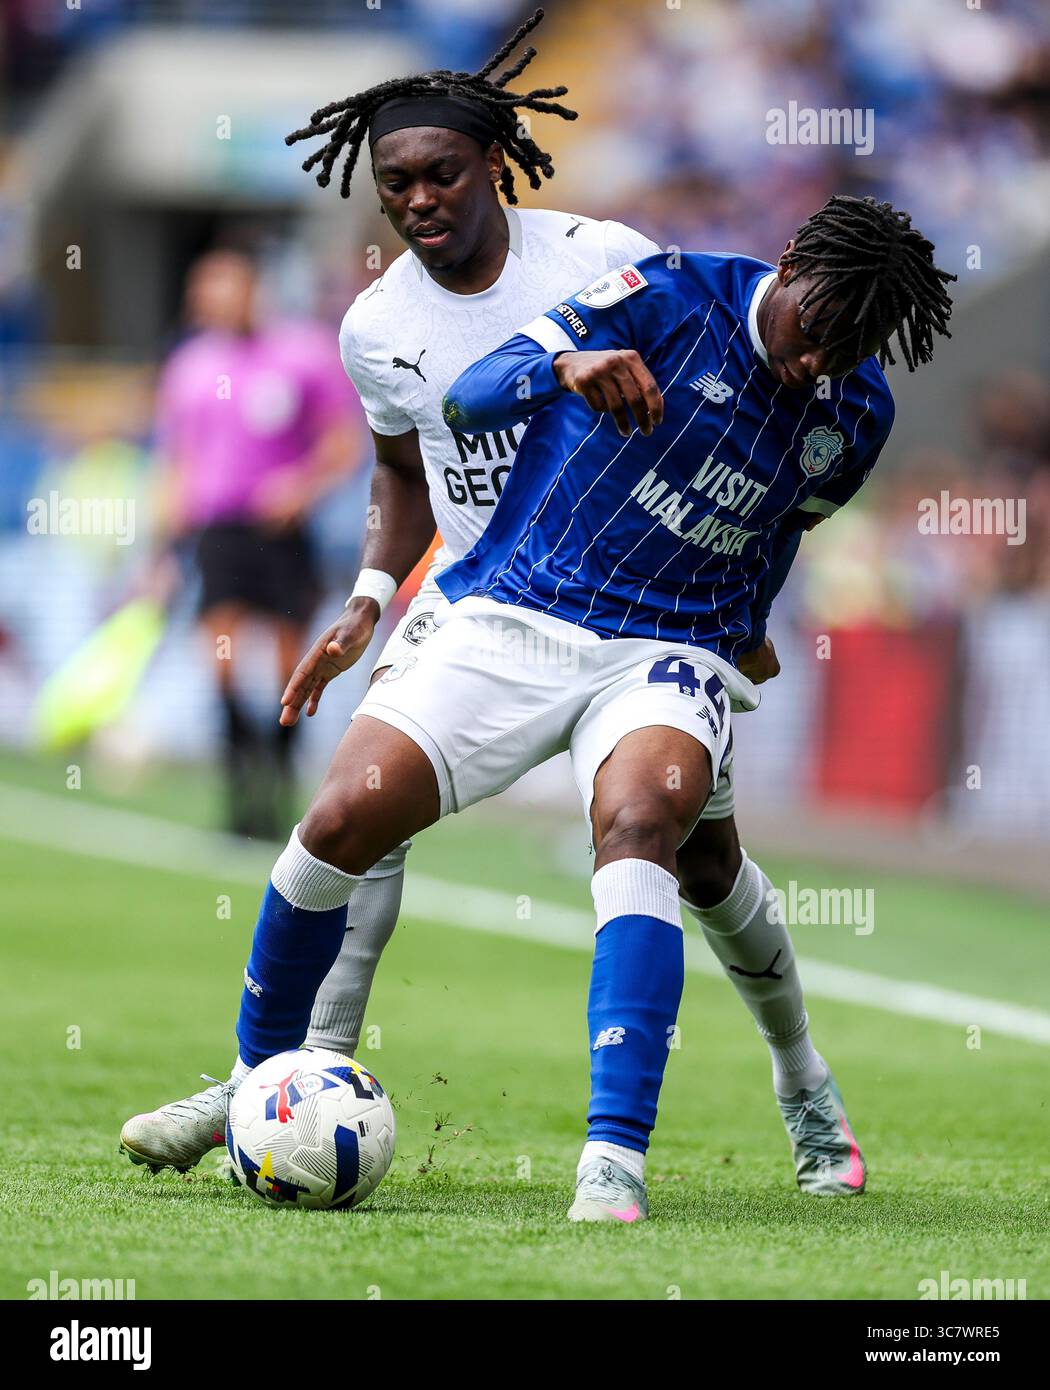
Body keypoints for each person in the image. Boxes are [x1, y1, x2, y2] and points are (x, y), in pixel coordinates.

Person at [122, 182, 954, 1220]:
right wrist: (567, 366)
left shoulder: (856, 409)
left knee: (655, 832)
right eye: (816, 329)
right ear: (789, 261)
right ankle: (255, 1084)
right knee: (342, 816)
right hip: (520, 611)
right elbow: (476, 394)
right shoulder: (664, 293)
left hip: (671, 646)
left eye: (852, 346)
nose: (816, 363)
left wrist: (747, 620)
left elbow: (784, 520)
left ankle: (656, 1144)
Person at [154, 246, 361, 837]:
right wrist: (165, 546)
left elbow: (341, 445)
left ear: (254, 290)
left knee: (285, 670)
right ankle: (238, 786)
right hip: (218, 531)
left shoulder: (302, 353)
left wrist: (301, 488)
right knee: (218, 657)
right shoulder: (189, 366)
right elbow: (177, 459)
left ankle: (276, 786)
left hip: (281, 534)